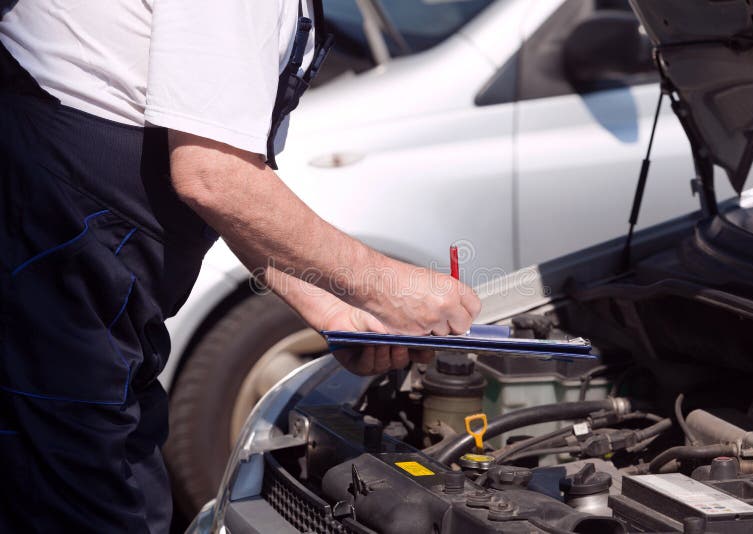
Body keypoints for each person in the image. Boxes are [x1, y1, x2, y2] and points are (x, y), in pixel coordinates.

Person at [0, 1, 481, 531]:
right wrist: (385, 286)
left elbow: (221, 183)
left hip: (105, 295)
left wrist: (332, 309)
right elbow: (214, 176)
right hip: (56, 267)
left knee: (134, 499)